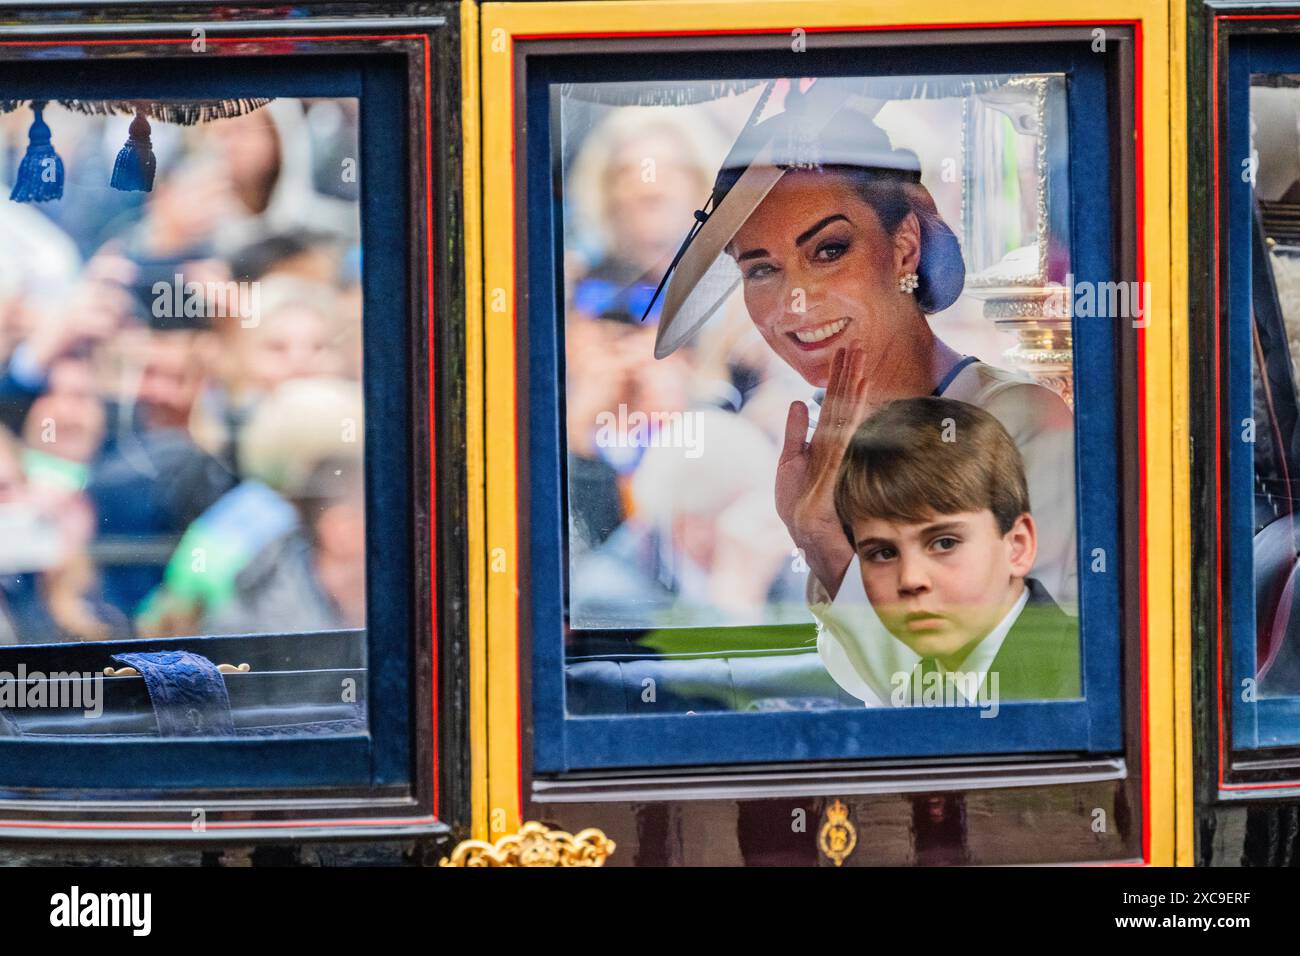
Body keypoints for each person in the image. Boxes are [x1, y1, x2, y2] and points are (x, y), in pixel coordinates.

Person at [649, 76, 1077, 703]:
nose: (794, 302)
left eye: (829, 250)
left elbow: (1019, 703)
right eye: (762, 269)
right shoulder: (830, 447)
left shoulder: (1022, 426)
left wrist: (824, 543)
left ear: (903, 249)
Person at [833, 397, 1079, 703]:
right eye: (883, 553)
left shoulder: (1085, 682)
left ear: (1017, 547)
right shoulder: (915, 690)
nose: (910, 579)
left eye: (944, 543)